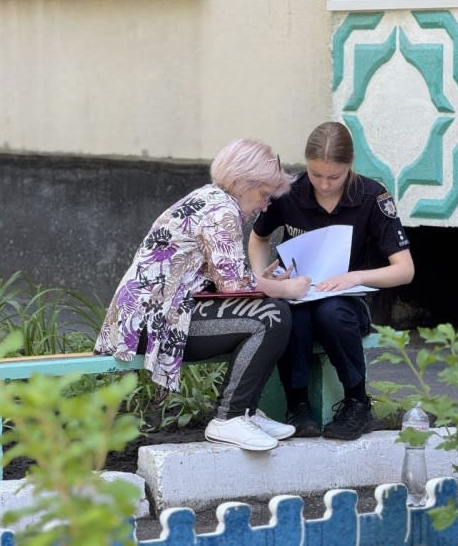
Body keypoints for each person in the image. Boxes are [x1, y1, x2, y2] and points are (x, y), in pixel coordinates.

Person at [94, 138, 312, 451]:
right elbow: (234, 286)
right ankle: (229, 417)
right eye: (265, 194)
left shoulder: (210, 199)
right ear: (242, 182)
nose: (266, 206)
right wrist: (287, 288)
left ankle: (246, 412)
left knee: (270, 309)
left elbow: (221, 277)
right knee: (271, 316)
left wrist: (261, 283)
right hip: (154, 325)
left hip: (152, 317)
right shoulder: (222, 210)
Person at [248, 121, 414, 440]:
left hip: (347, 300)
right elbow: (258, 237)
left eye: (334, 176)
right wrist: (261, 276)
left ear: (349, 166)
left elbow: (404, 269)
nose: (324, 185)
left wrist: (353, 277)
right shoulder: (289, 193)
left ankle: (357, 403)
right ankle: (297, 406)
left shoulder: (371, 196)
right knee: (290, 316)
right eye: (316, 175)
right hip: (295, 293)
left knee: (331, 314)